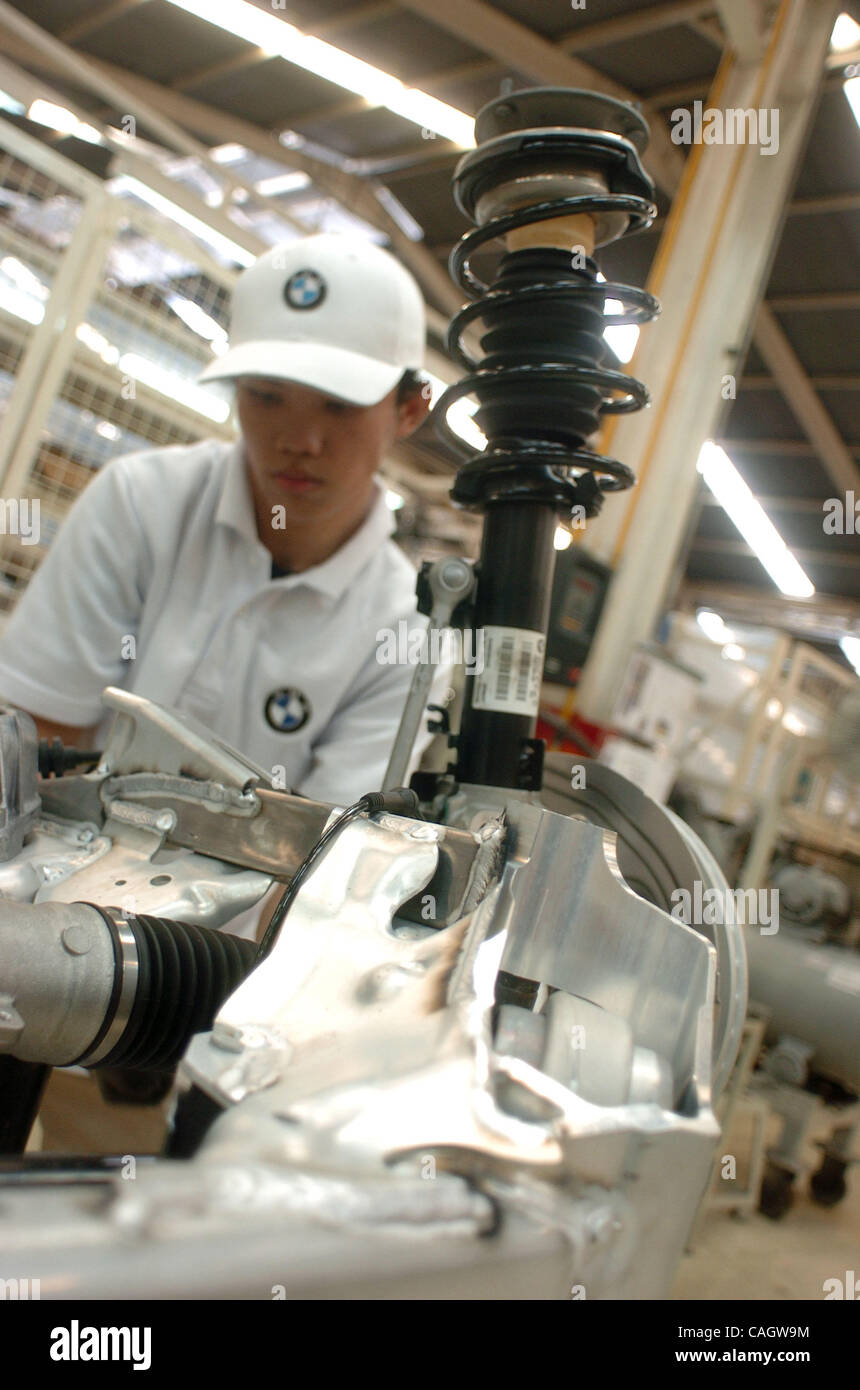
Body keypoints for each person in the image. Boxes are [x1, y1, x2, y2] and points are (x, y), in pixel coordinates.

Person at [0, 234, 450, 804]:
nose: (300, 441)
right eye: (266, 396)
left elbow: (327, 847)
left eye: (339, 406)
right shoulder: (140, 502)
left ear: (409, 409)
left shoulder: (408, 633)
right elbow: (41, 733)